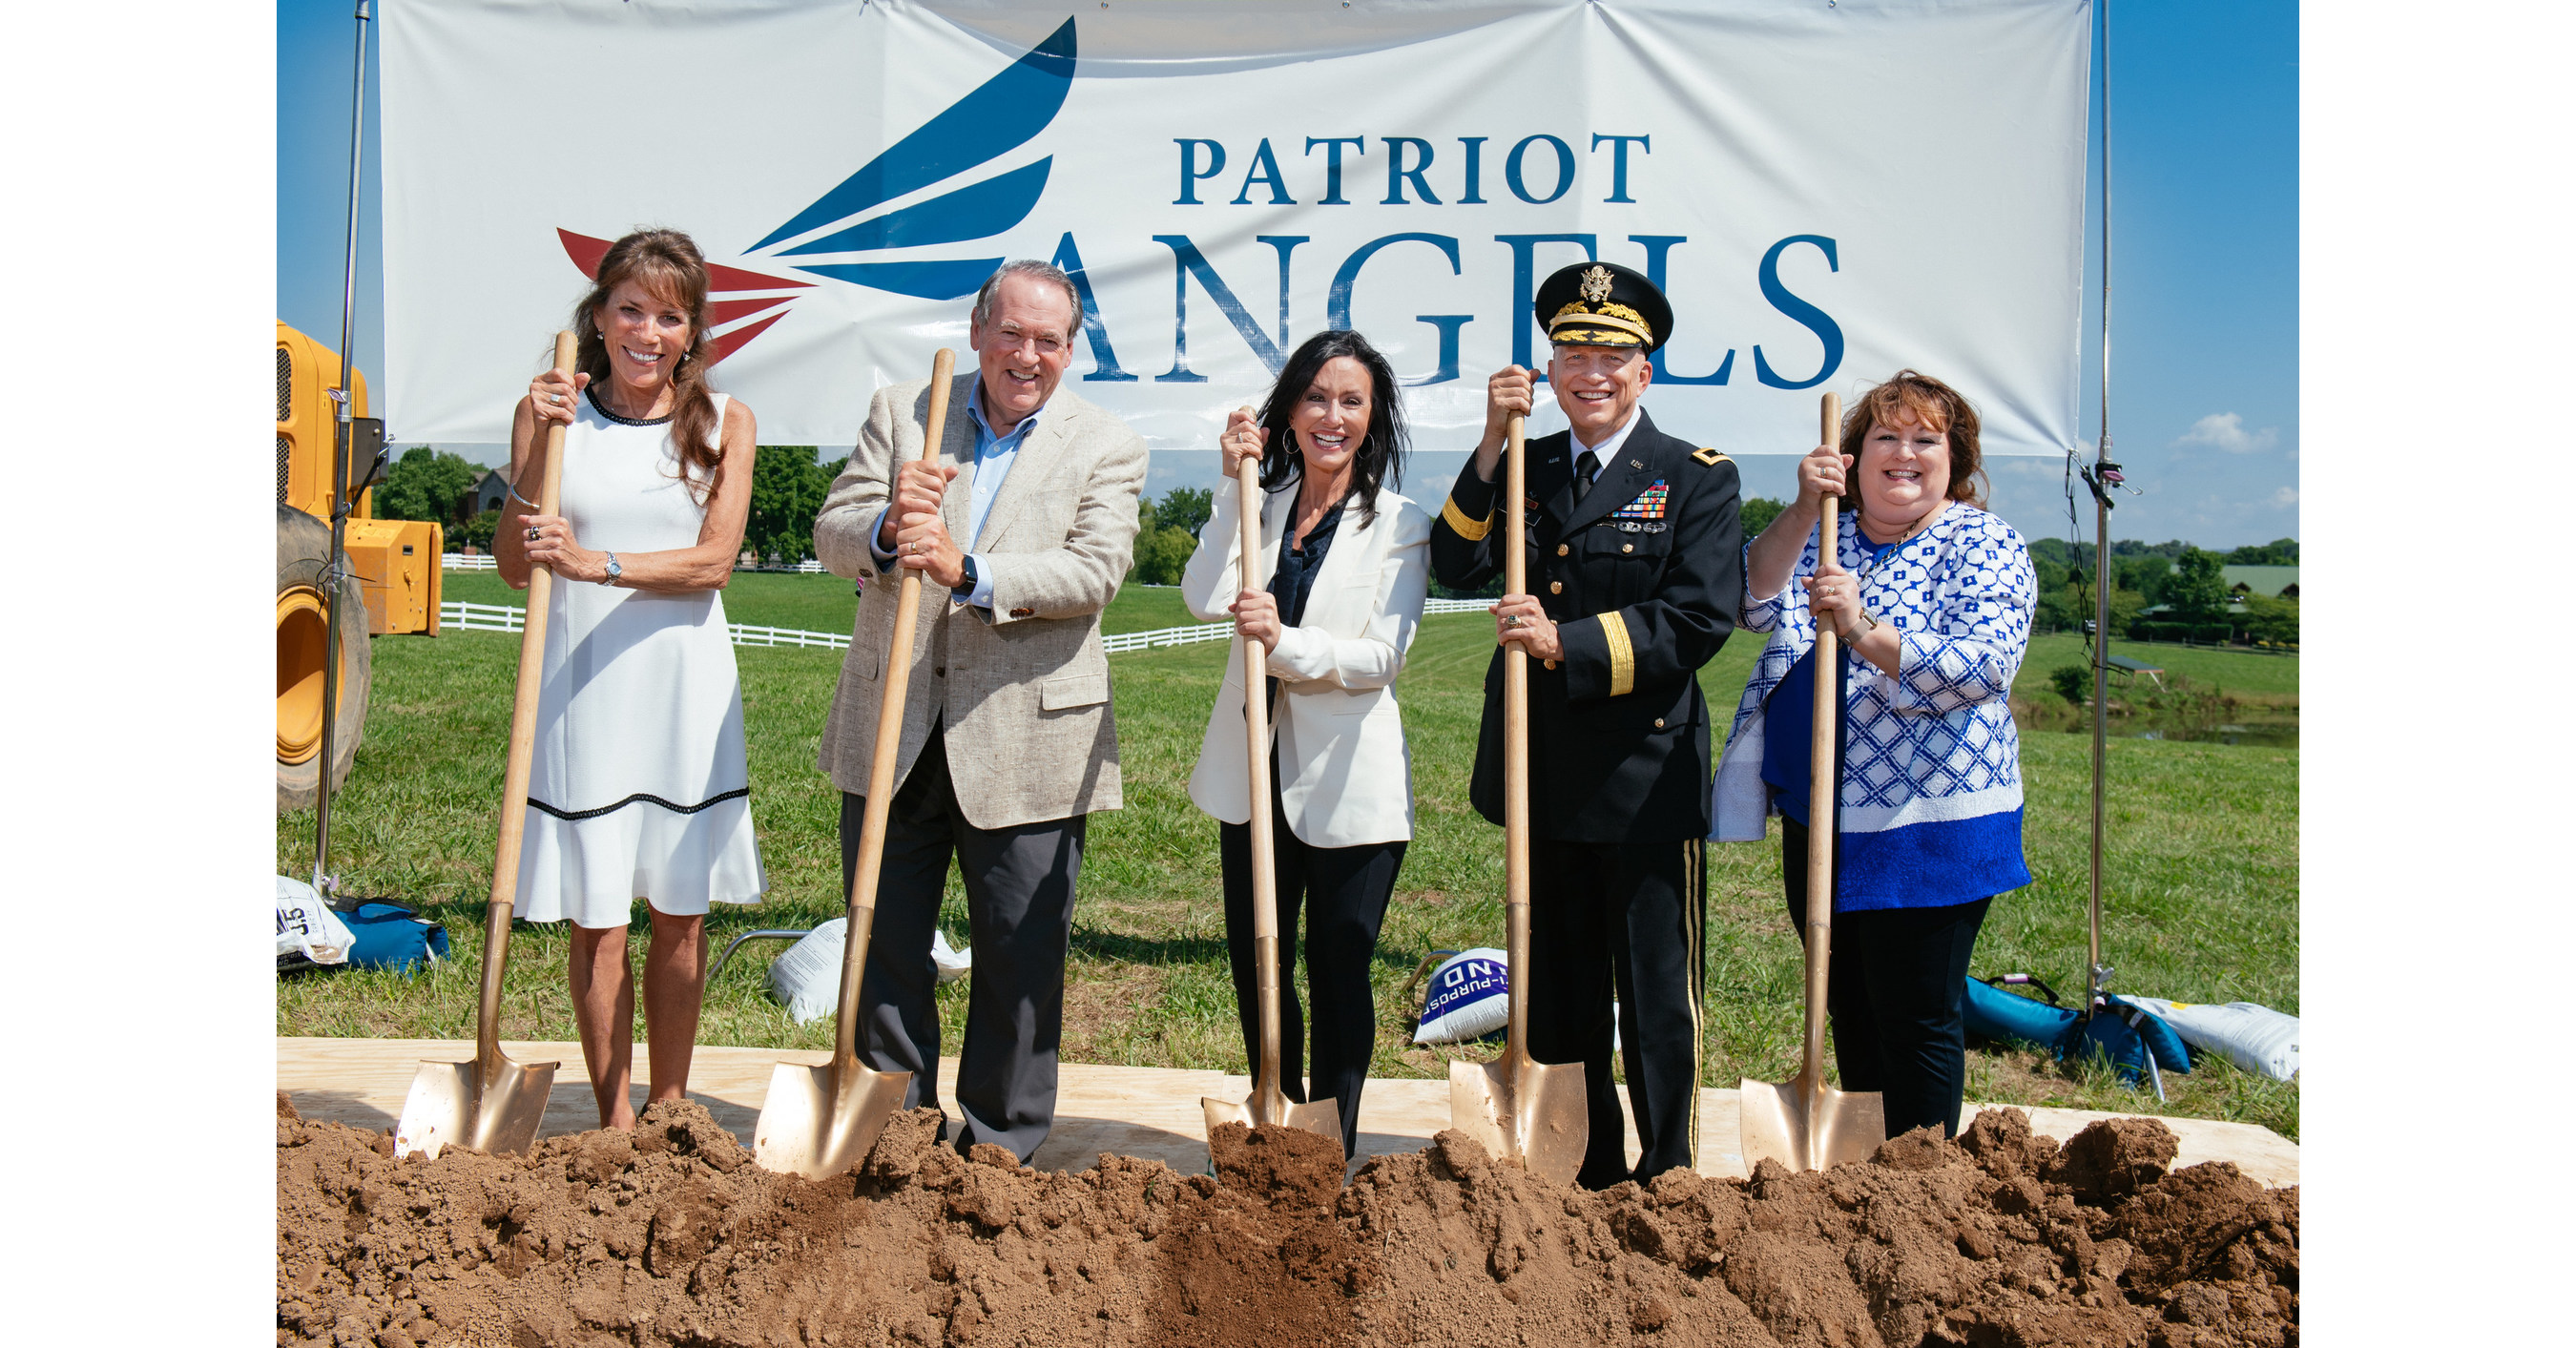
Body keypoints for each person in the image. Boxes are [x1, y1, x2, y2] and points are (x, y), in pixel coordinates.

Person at [813, 259, 1148, 1162]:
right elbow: (833, 529)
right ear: (977, 331)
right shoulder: (904, 414)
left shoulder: (1107, 443)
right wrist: (887, 528)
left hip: (1028, 737)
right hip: (896, 723)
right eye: (1012, 333)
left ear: (1071, 349)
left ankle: (1000, 1154)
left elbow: (1094, 571)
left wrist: (970, 570)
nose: (1027, 355)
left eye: (1049, 340)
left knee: (1018, 956)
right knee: (884, 945)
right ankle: (895, 1137)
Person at [1426, 260, 1744, 1189]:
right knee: (1560, 990)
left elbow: (1699, 619)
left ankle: (1669, 1172)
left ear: (1645, 370)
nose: (1590, 371)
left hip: (1644, 778)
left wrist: (1563, 643)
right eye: (1573, 353)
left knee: (1654, 992)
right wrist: (1491, 443)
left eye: (1611, 356)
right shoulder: (1527, 463)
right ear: (1551, 369)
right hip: (1543, 770)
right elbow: (1453, 561)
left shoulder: (1694, 477)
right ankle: (1585, 1165)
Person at [1710, 369, 2037, 1141]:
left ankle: (1922, 1177)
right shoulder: (1828, 531)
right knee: (1849, 1004)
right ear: (1853, 457)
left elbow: (1985, 664)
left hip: (1928, 819)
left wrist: (1861, 628)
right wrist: (1804, 505)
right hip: (1820, 814)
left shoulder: (1982, 542)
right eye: (1886, 436)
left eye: (1927, 439)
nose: (1905, 453)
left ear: (1956, 459)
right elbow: (1750, 601)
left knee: (1914, 1012)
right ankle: (1865, 1173)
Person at [499, 228, 766, 1129]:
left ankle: (672, 1109)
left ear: (692, 333)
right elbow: (513, 564)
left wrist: (595, 563)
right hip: (582, 692)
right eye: (631, 309)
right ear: (600, 315)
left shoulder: (727, 421)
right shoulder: (549, 413)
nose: (648, 333)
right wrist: (537, 450)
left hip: (682, 692)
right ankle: (615, 1124)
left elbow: (714, 562)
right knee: (597, 914)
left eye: (670, 317)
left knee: (681, 912)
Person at [1180, 329, 1431, 1158]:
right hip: (1250, 772)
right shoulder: (1259, 500)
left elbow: (1381, 656)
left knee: (1337, 967)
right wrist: (1232, 490)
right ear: (1288, 411)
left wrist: (1283, 643)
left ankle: (1332, 1145)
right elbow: (1201, 595)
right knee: (1259, 962)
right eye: (1316, 397)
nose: (1333, 416)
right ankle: (1273, 1119)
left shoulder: (1401, 525)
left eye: (1351, 401)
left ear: (1373, 417)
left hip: (1349, 785)